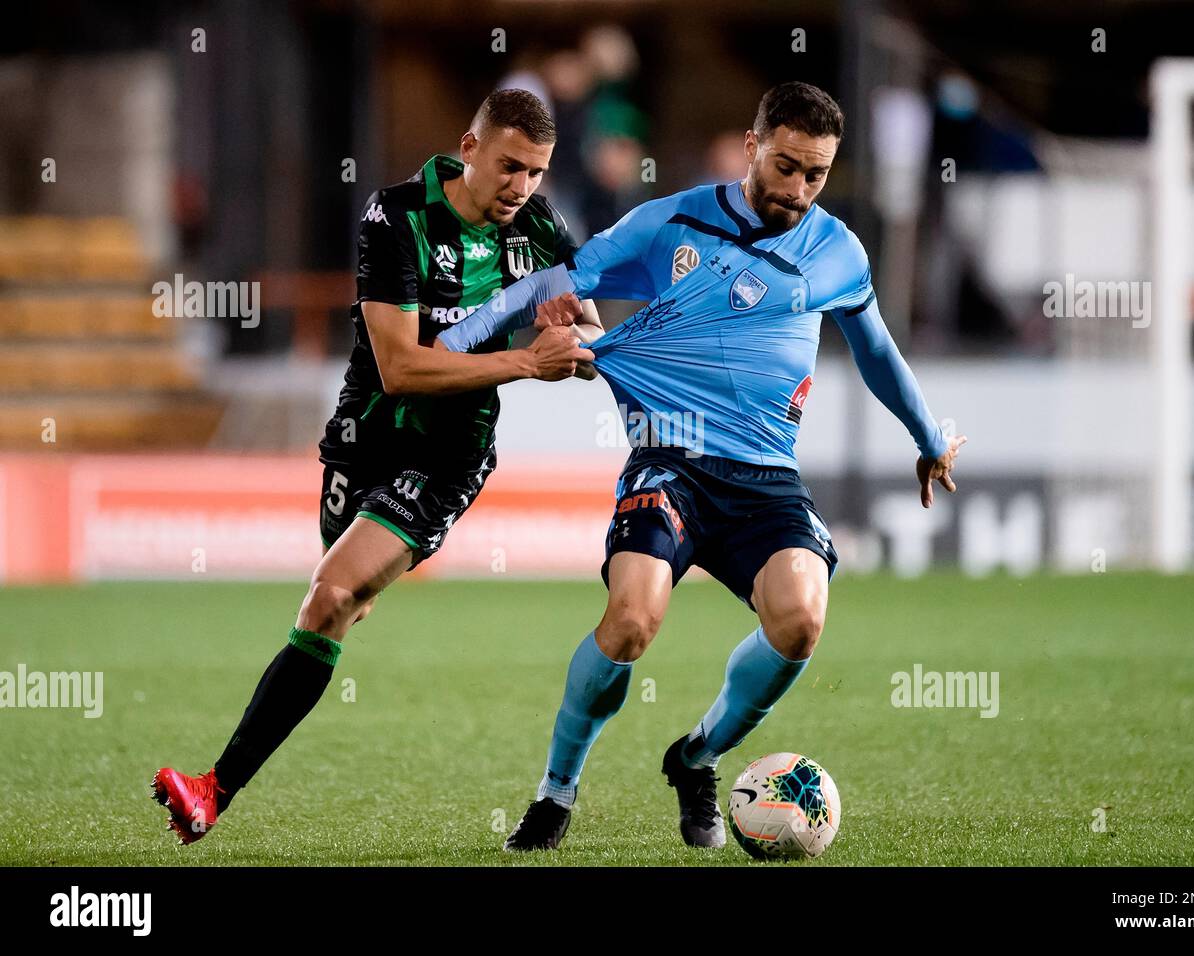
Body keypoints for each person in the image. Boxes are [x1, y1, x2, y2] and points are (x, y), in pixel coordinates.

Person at [438, 81, 966, 851]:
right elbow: (554, 284)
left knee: (801, 618)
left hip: (765, 477)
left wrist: (926, 436)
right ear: (752, 147)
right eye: (784, 166)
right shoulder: (668, 223)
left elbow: (876, 349)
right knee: (630, 622)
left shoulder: (836, 251)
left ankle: (697, 757)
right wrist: (447, 349)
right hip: (670, 460)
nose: (797, 189)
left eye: (815, 175)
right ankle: (557, 791)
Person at [151, 89, 598, 845]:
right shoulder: (397, 219)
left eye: (537, 172)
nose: (521, 188)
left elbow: (585, 332)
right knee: (340, 607)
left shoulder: (541, 229)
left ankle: (211, 791)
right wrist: (527, 358)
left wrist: (577, 335)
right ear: (470, 147)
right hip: (363, 436)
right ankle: (350, 599)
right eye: (510, 167)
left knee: (328, 597)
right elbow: (397, 368)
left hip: (448, 456)